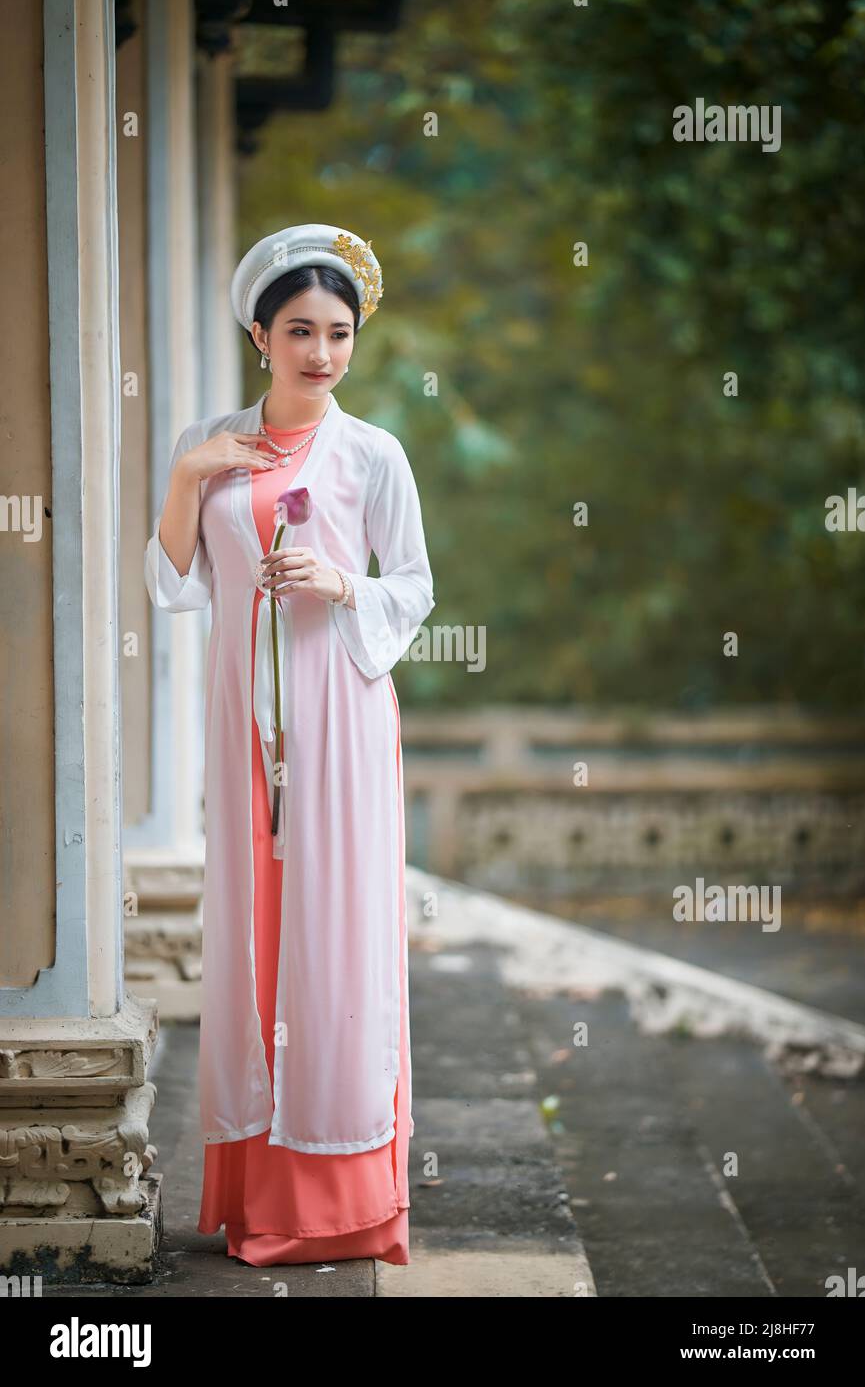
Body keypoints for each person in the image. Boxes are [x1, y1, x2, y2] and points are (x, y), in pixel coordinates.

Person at [144, 223, 435, 1266]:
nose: (321, 351)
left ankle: (344, 1203)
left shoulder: (372, 454)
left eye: (339, 332)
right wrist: (190, 480)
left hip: (342, 724)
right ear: (259, 334)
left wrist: (340, 583)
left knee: (337, 934)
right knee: (255, 933)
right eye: (300, 330)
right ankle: (258, 1195)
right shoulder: (210, 443)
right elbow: (176, 586)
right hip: (244, 730)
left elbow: (412, 584)